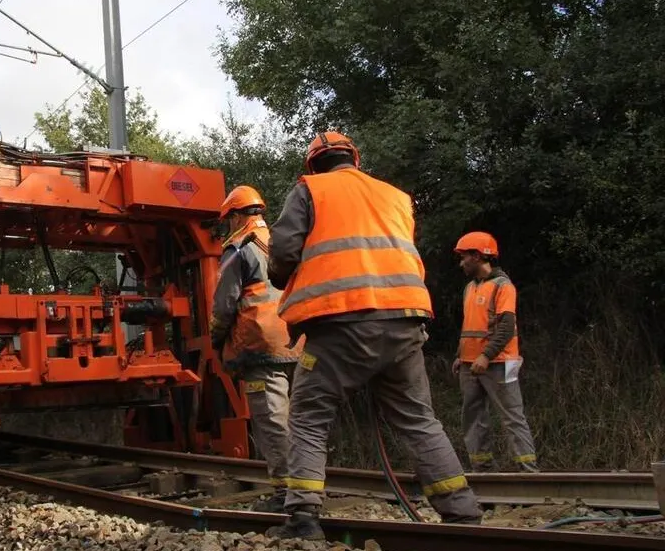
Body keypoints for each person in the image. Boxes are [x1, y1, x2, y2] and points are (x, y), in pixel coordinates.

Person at [265, 131, 483, 539]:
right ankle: (462, 512)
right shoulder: (395, 196)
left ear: (314, 165)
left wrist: (280, 276)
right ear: (354, 158)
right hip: (404, 320)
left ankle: (302, 518)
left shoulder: (310, 189)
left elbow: (283, 253)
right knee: (418, 419)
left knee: (309, 417)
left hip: (340, 323)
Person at [210, 185, 303, 513]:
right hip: (295, 340)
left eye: (228, 219)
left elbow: (224, 305)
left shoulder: (238, 249)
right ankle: (307, 486)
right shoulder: (279, 242)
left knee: (272, 421)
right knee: (299, 419)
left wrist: (216, 339)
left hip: (260, 345)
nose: (228, 226)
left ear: (237, 216)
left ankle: (287, 494)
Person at [453, 232, 539, 472]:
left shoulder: (503, 286)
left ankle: (528, 471)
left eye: (464, 257)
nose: (461, 263)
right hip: (470, 364)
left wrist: (486, 356)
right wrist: (460, 355)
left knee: (512, 416)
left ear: (477, 256)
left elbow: (506, 327)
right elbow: (470, 325)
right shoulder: (470, 287)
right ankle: (483, 470)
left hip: (498, 362)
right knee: (473, 417)